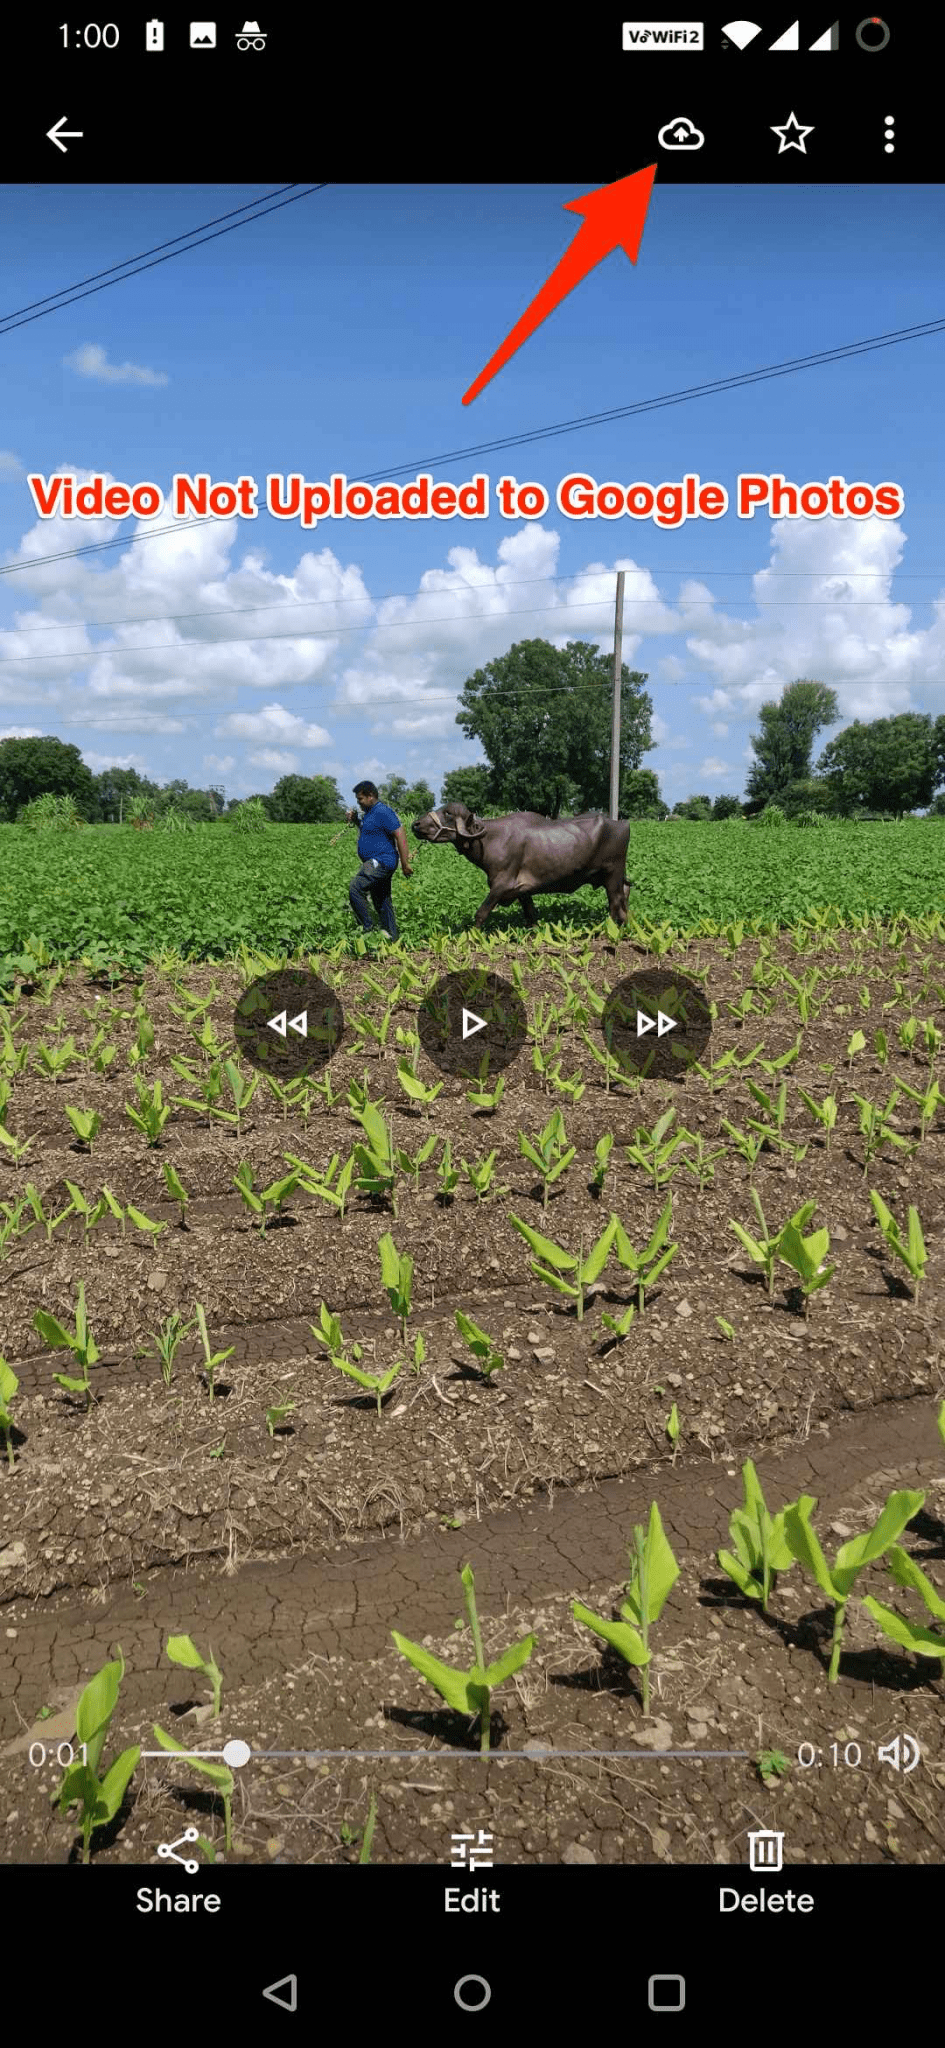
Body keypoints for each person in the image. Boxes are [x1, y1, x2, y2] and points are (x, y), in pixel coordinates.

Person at [346, 780, 413, 940]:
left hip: (381, 861)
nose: (359, 803)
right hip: (377, 861)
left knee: (356, 888)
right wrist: (356, 820)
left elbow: (400, 834)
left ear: (370, 796)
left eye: (360, 799)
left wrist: (405, 864)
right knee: (382, 901)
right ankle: (392, 938)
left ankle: (369, 930)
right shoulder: (370, 814)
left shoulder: (383, 811)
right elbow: (368, 831)